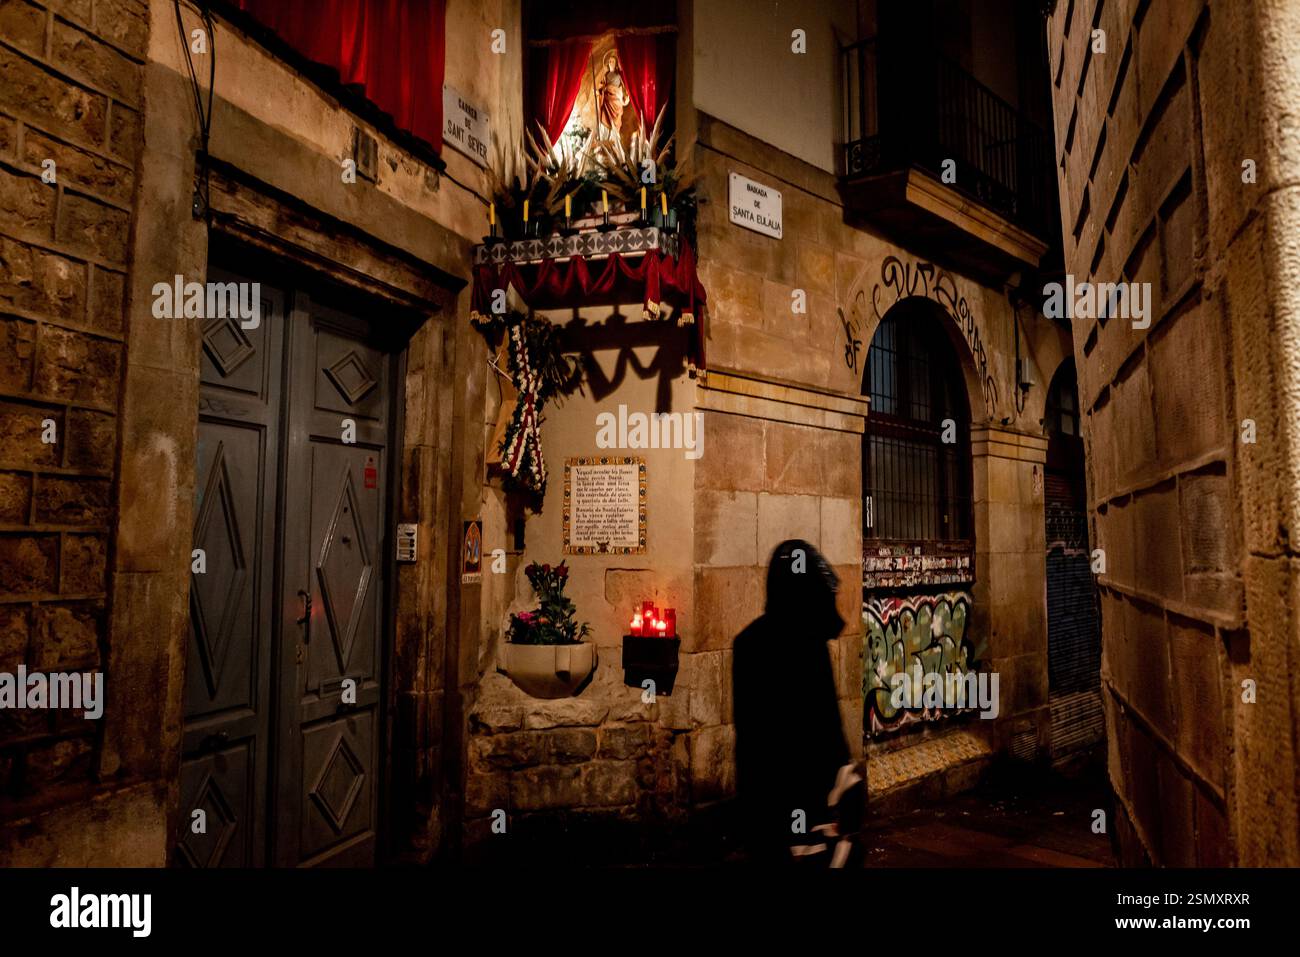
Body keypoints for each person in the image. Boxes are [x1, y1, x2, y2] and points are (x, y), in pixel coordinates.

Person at [732, 539, 862, 865]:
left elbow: (749, 733)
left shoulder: (749, 642)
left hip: (764, 799)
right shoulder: (809, 643)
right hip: (804, 793)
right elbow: (826, 723)